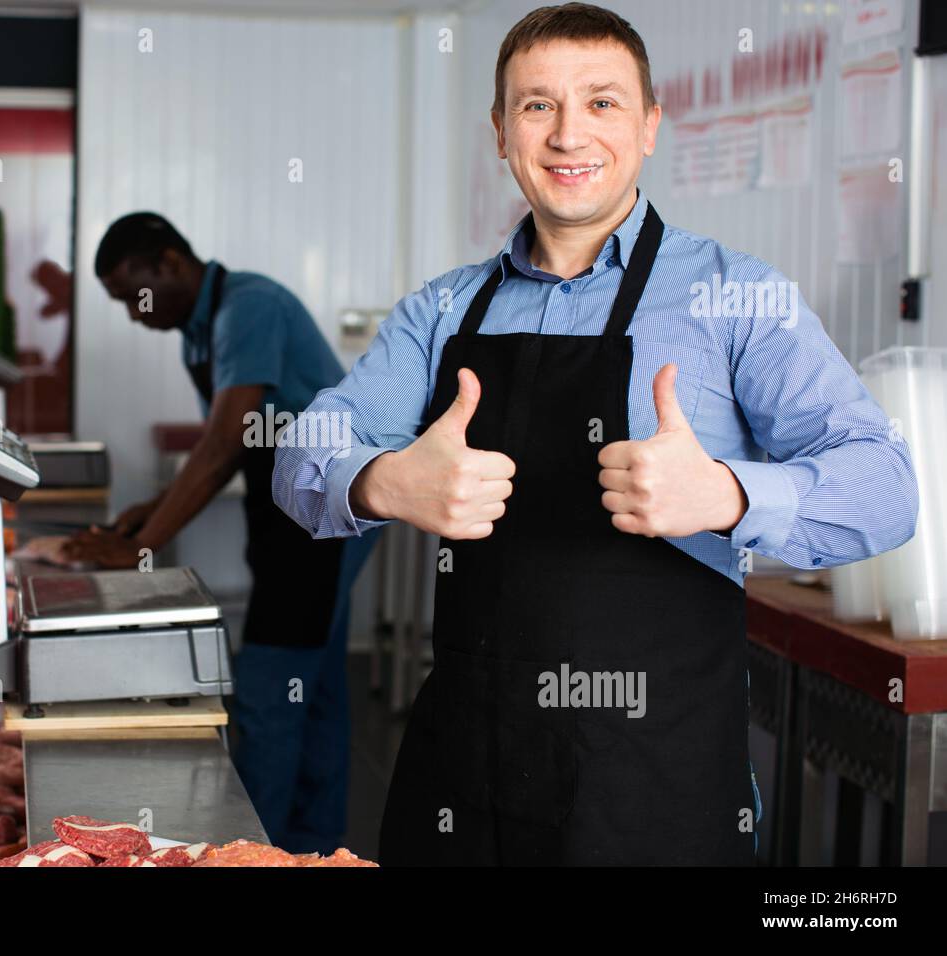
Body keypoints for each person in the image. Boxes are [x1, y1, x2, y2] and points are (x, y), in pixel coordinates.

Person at [272, 3, 917, 866]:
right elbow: (302, 447)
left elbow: (889, 484)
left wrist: (727, 494)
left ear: (650, 126)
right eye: (537, 105)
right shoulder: (443, 308)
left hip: (655, 784)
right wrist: (383, 481)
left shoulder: (738, 295)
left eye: (603, 103)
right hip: (468, 773)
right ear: (501, 132)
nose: (569, 133)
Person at [69, 212, 378, 854]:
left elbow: (222, 441)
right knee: (313, 682)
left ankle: (252, 851)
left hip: (322, 509)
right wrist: (148, 512)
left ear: (172, 264)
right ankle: (315, 846)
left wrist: (141, 545)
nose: (133, 313)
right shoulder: (198, 331)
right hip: (286, 506)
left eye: (134, 294)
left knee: (271, 685)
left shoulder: (249, 306)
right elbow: (234, 446)